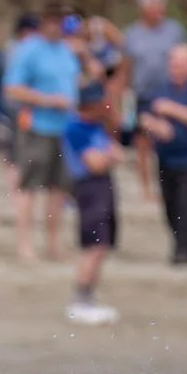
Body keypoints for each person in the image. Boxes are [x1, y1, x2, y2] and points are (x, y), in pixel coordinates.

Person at [3, 11, 82, 261]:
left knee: (58, 188)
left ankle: (52, 243)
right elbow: (12, 90)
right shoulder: (29, 50)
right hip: (37, 126)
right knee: (28, 186)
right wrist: (48, 100)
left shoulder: (68, 51)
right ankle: (25, 244)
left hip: (65, 128)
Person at [140, 43, 187, 265]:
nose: (176, 69)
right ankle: (183, 248)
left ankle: (183, 251)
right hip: (165, 158)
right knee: (170, 207)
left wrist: (171, 110)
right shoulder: (160, 87)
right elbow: (143, 117)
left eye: (181, 65)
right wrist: (155, 125)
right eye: (173, 64)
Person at [63, 84, 123, 325]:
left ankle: (88, 296)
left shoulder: (98, 127)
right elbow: (95, 163)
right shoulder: (76, 128)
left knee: (103, 244)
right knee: (94, 244)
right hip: (89, 187)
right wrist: (109, 156)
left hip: (102, 185)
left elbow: (114, 153)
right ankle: (80, 298)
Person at [124, 0, 187, 200]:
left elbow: (184, 58)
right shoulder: (132, 34)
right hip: (143, 93)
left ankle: (168, 186)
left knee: (168, 139)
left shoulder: (175, 31)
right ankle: (145, 188)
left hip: (170, 93)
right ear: (144, 9)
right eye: (155, 6)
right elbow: (126, 66)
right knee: (142, 142)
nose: (159, 10)